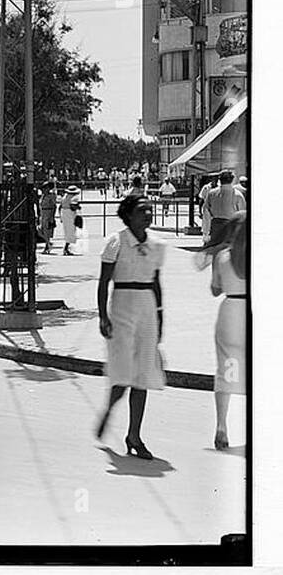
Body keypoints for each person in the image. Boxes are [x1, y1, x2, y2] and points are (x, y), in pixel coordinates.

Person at [95, 195, 166, 459]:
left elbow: (157, 282)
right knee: (122, 372)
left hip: (147, 308)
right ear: (129, 214)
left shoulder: (157, 245)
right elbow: (104, 282)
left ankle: (134, 435)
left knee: (143, 374)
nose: (148, 214)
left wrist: (160, 315)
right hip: (122, 306)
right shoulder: (116, 242)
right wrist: (103, 316)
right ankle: (110, 409)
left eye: (150, 209)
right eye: (141, 210)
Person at [196, 212, 246, 450]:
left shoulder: (222, 256)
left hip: (229, 311)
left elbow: (215, 290)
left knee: (226, 369)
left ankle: (222, 426)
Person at [203, 169, 246, 240]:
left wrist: (206, 232)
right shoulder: (238, 195)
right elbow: (242, 215)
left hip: (215, 227)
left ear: (219, 179)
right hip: (231, 227)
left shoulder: (212, 193)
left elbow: (206, 212)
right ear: (232, 180)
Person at [59, 185, 82, 256]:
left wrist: (60, 216)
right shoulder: (74, 198)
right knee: (71, 231)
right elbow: (73, 206)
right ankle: (66, 248)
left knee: (67, 231)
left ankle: (67, 248)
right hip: (70, 214)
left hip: (64, 213)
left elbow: (60, 207)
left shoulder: (64, 197)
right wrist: (78, 207)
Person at [38, 180, 58, 255]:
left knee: (46, 231)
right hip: (42, 214)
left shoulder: (51, 196)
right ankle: (48, 243)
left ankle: (47, 246)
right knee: (40, 230)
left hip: (48, 213)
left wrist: (52, 217)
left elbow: (54, 206)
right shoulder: (43, 196)